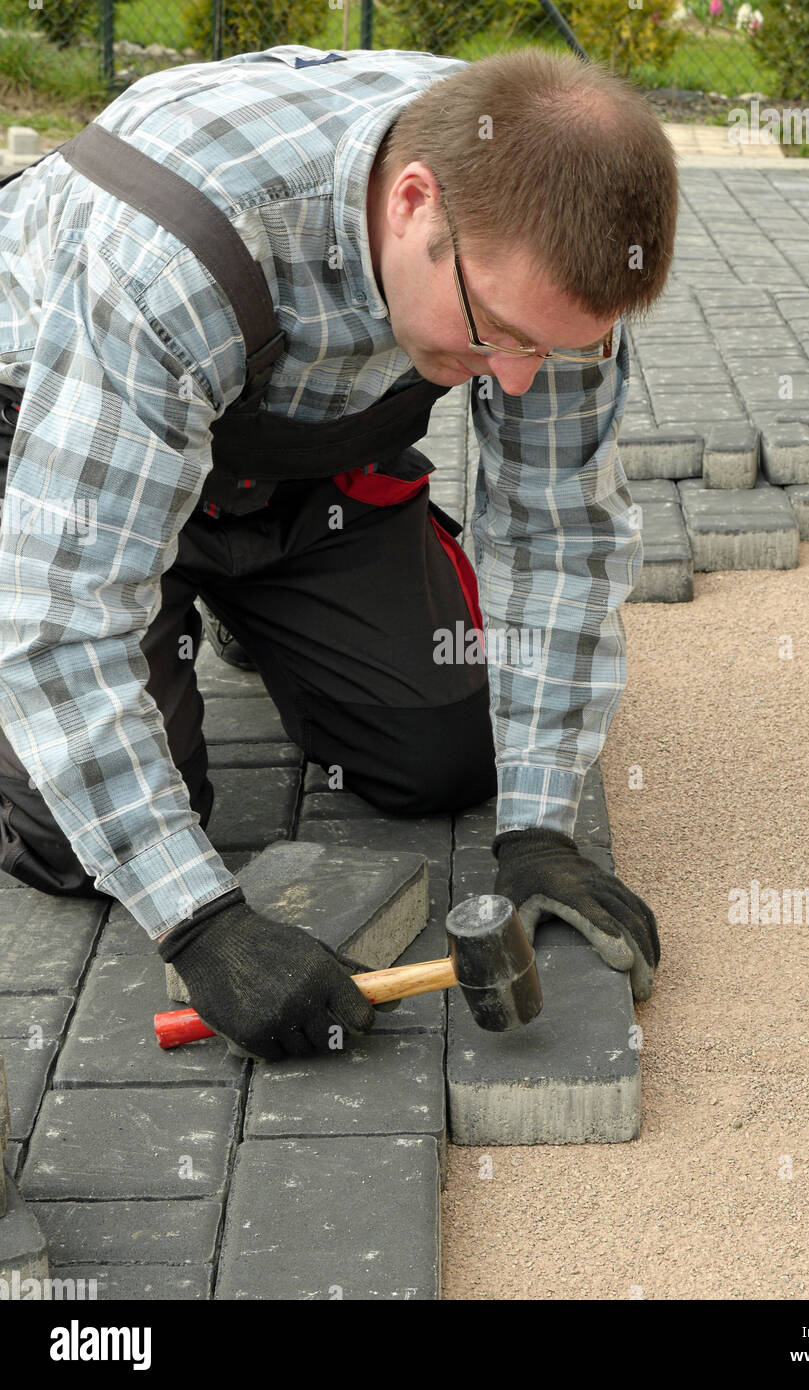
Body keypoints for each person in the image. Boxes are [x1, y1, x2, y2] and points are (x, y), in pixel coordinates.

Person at [0, 43, 677, 1061]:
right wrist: (202, 925)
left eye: (554, 349)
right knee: (79, 840)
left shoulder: (544, 259)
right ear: (412, 203)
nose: (522, 381)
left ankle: (242, 605)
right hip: (67, 441)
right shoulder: (165, 254)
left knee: (451, 742)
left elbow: (556, 533)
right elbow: (64, 621)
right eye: (495, 335)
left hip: (292, 470)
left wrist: (540, 828)